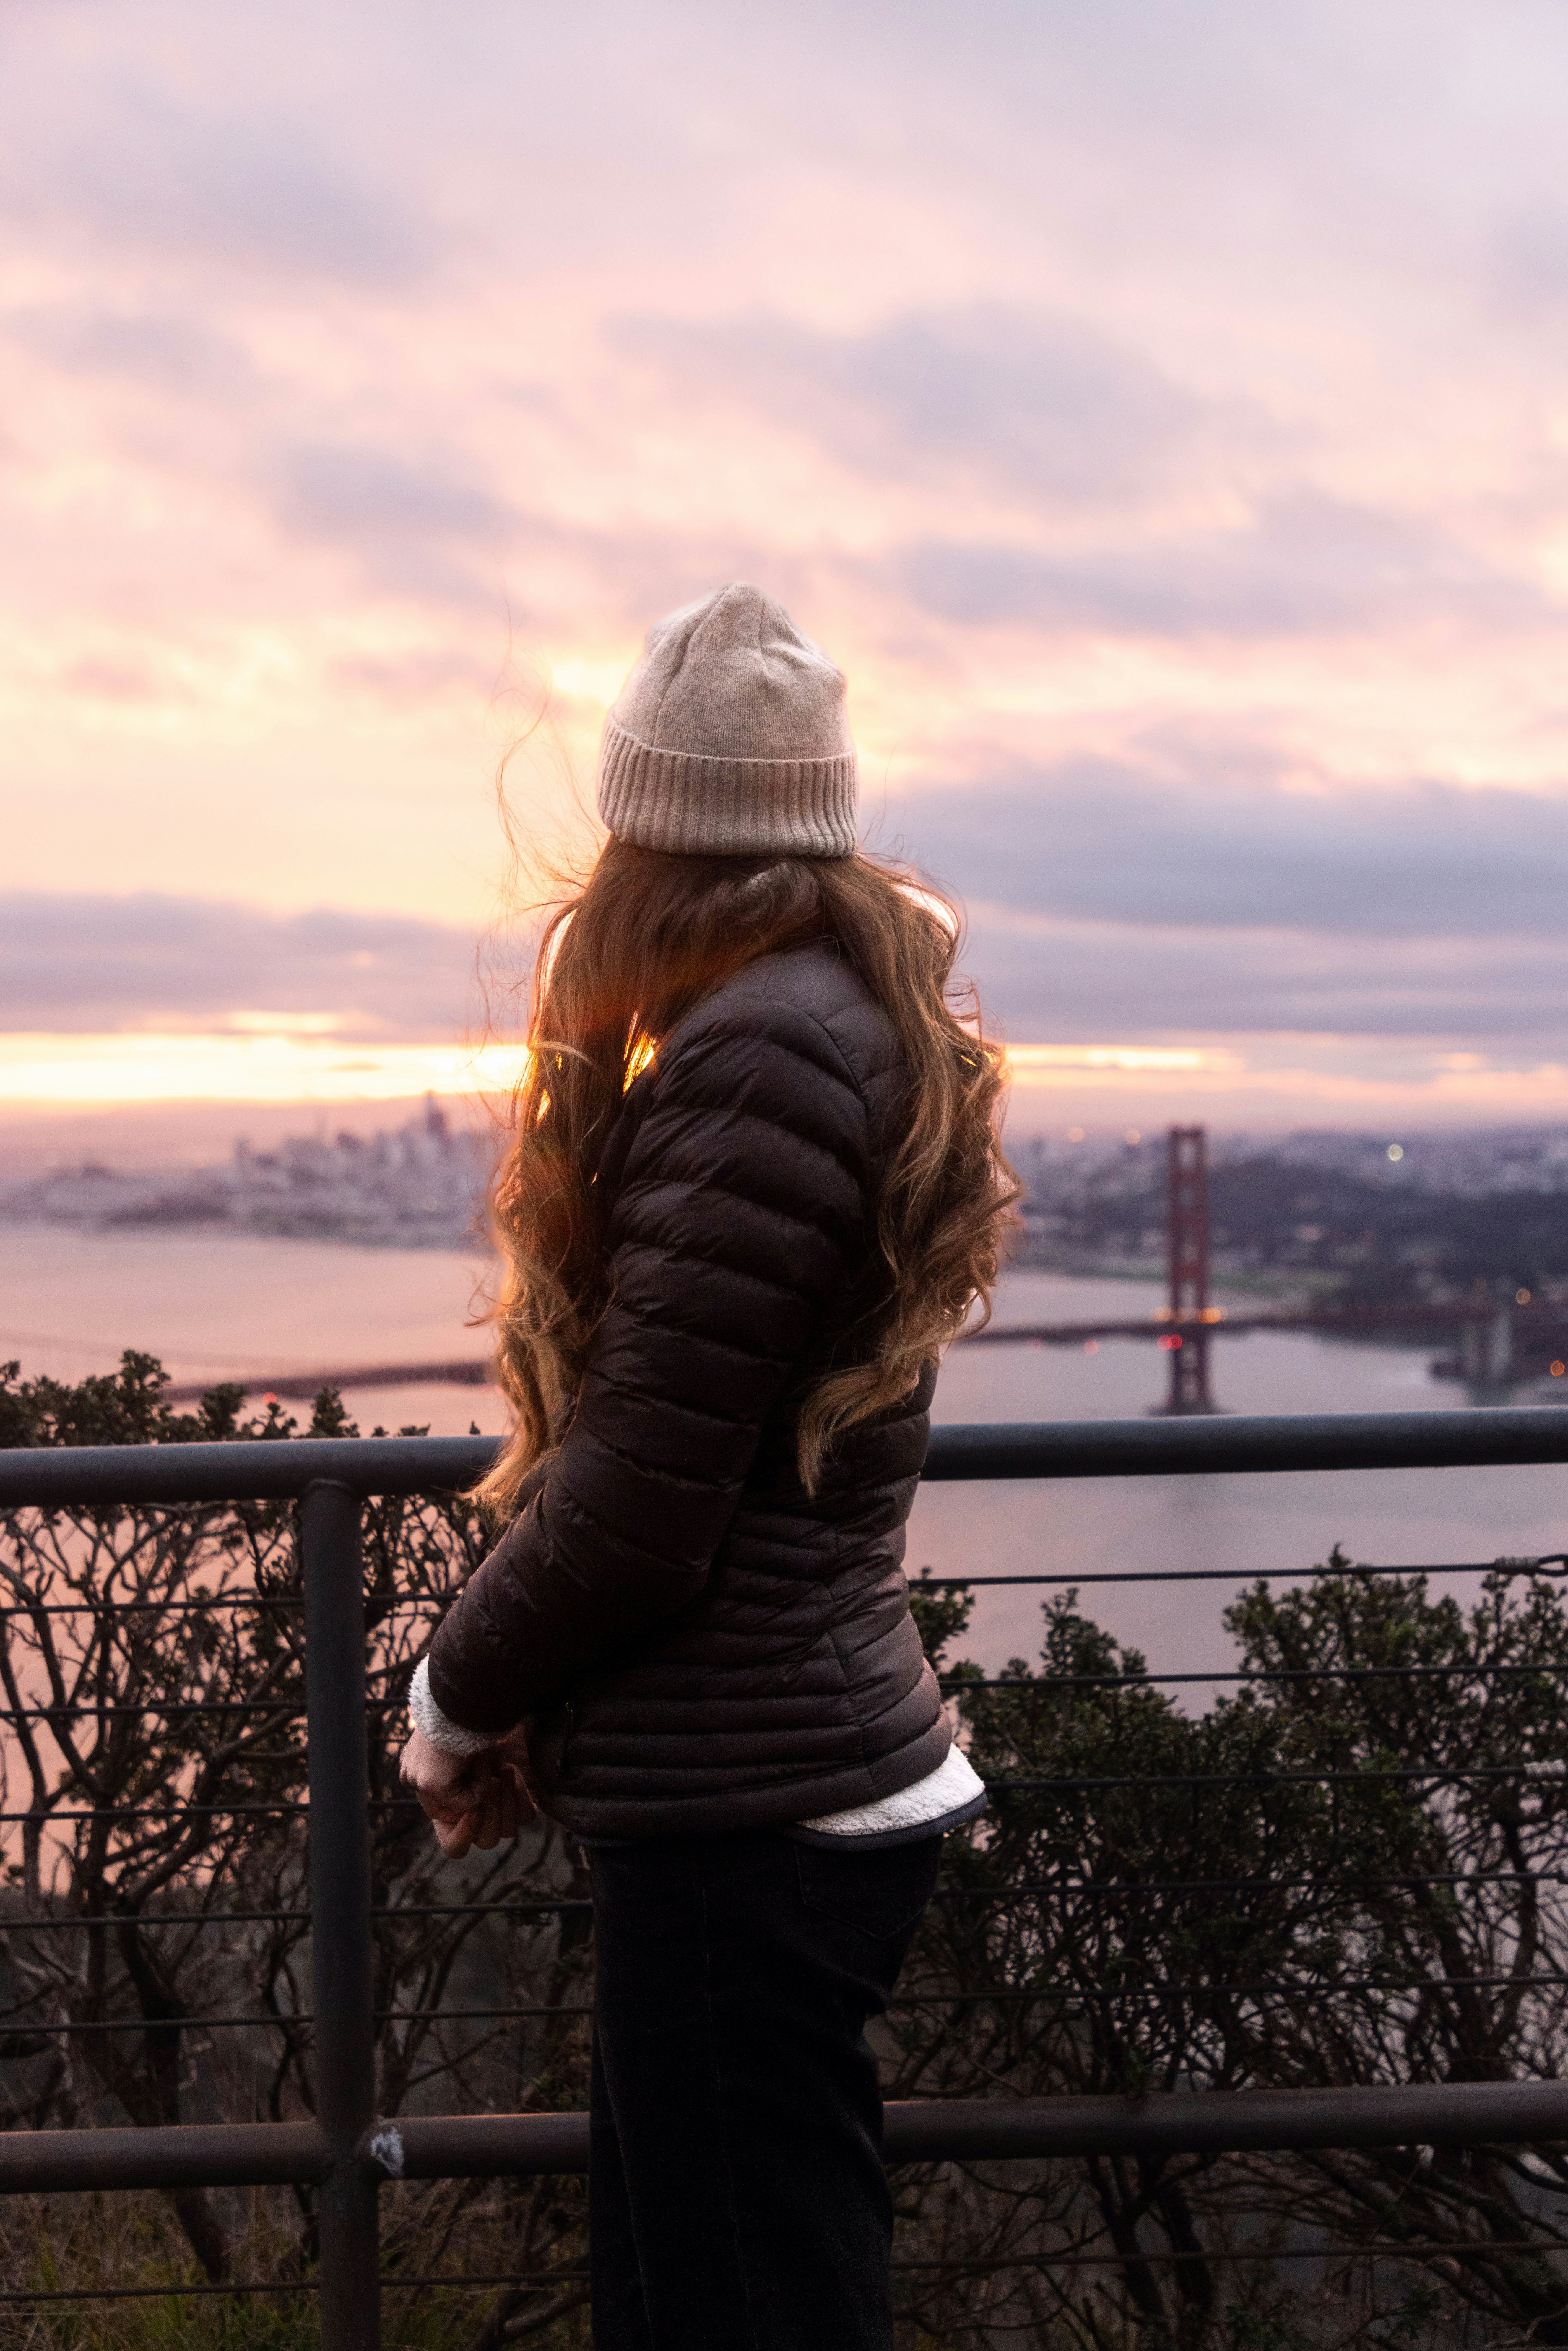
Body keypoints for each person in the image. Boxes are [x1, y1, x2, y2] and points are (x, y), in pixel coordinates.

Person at [399, 583, 1017, 2351]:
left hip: (757, 1817)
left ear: (650, 838)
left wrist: (457, 1685)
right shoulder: (833, 1022)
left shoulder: (752, 1052)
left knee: (741, 2307)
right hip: (770, 1786)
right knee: (701, 2291)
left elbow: (645, 1500)